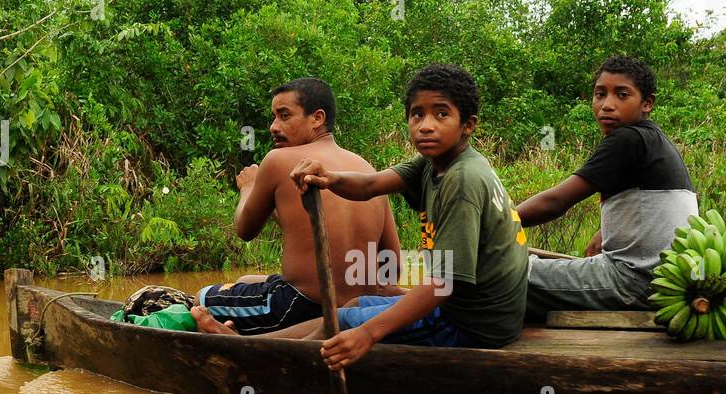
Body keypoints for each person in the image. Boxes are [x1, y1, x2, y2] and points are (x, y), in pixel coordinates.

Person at [192, 64, 528, 370]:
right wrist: (330, 177)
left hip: (469, 323)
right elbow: (370, 185)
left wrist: (367, 334)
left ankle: (255, 358)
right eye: (416, 115)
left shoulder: (462, 180)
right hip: (474, 310)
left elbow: (444, 284)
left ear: (467, 125)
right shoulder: (432, 163)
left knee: (345, 323)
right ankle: (250, 346)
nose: (425, 126)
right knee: (351, 307)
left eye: (441, 115)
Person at [196, 77, 401, 333]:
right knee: (246, 279)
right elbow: (392, 266)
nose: (273, 127)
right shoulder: (366, 170)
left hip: (301, 305)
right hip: (359, 306)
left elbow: (244, 230)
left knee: (202, 298)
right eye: (273, 117)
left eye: (284, 116)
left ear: (317, 118)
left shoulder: (278, 159)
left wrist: (248, 187)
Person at [514, 55, 697, 319]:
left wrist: (497, 222)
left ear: (647, 103)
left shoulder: (626, 139)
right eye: (600, 94)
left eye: (622, 95)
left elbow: (556, 202)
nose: (607, 105)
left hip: (636, 282)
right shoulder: (653, 139)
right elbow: (651, 205)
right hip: (666, 279)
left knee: (503, 275)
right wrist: (604, 232)